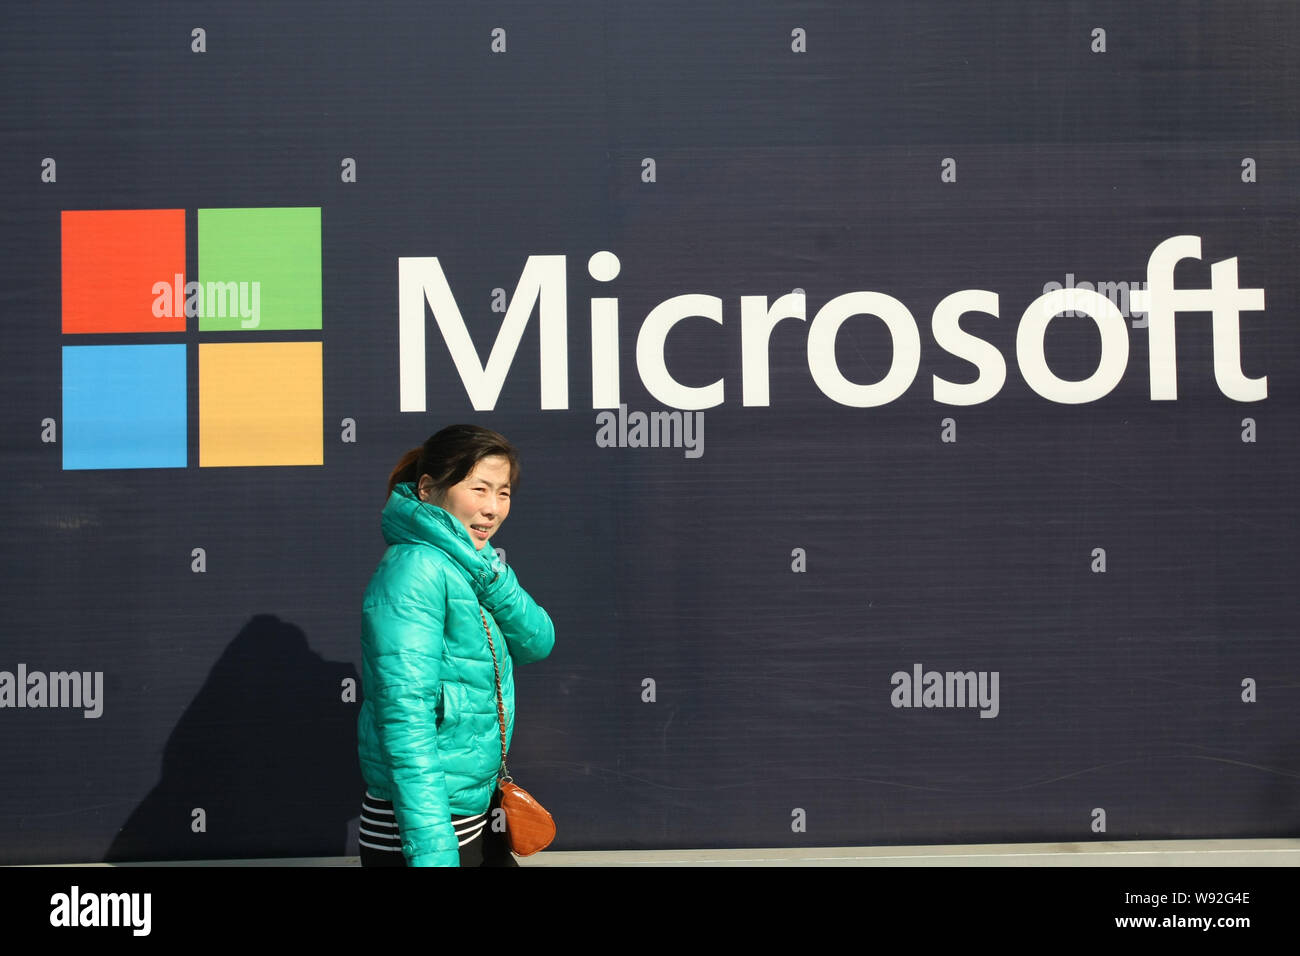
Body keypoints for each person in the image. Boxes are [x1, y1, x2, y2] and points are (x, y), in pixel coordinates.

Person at [356, 424, 555, 866]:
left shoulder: (474, 564)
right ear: (428, 489)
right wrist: (433, 854)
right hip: (423, 832)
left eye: (502, 493)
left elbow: (537, 641)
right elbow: (406, 721)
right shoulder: (414, 570)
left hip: (475, 814)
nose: (492, 509)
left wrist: (489, 573)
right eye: (478, 489)